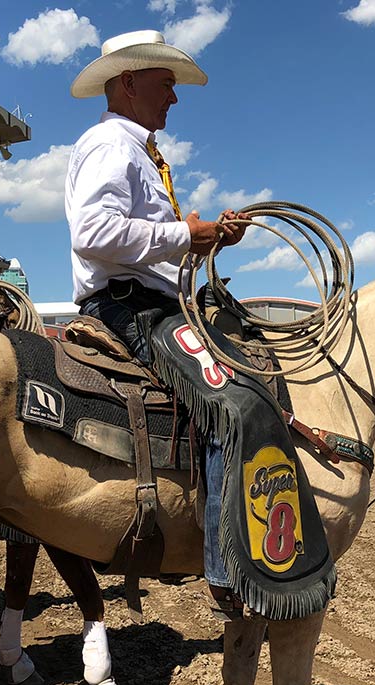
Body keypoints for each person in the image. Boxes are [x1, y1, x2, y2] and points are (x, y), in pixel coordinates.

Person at [65, 30, 249, 617]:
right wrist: (180, 234)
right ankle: (226, 568)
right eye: (166, 83)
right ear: (129, 83)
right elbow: (92, 234)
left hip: (146, 296)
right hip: (128, 305)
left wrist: (206, 240)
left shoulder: (136, 152)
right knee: (231, 401)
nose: (175, 97)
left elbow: (147, 246)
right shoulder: (110, 146)